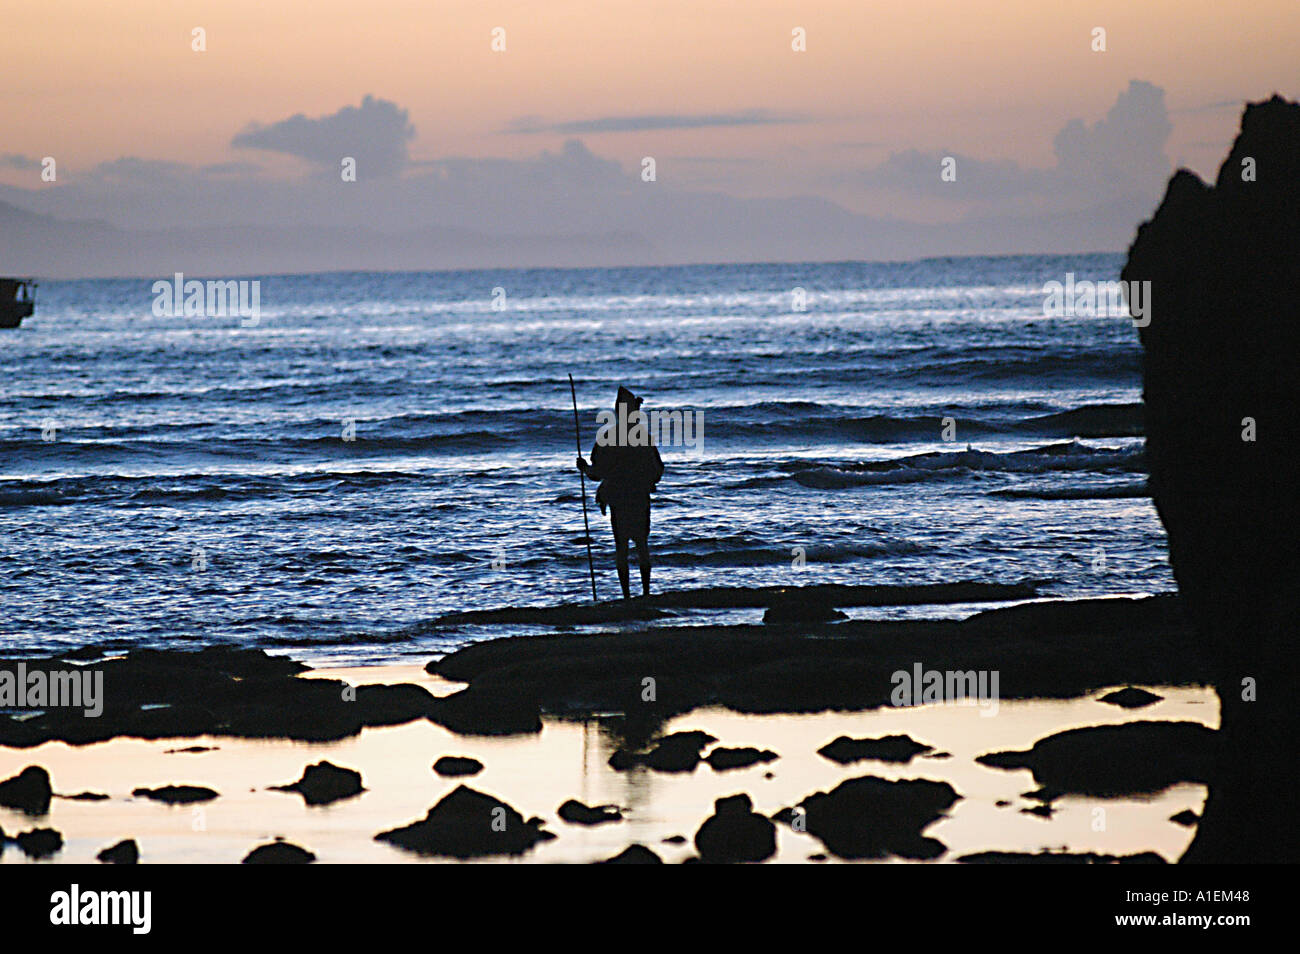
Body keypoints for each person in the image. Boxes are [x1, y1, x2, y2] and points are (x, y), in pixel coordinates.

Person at [576, 386, 664, 599]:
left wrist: (584, 468)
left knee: (621, 547)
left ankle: (626, 597)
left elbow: (598, 472)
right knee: (642, 545)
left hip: (618, 499)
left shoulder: (608, 437)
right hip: (639, 498)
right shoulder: (643, 437)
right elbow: (657, 471)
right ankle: (645, 594)